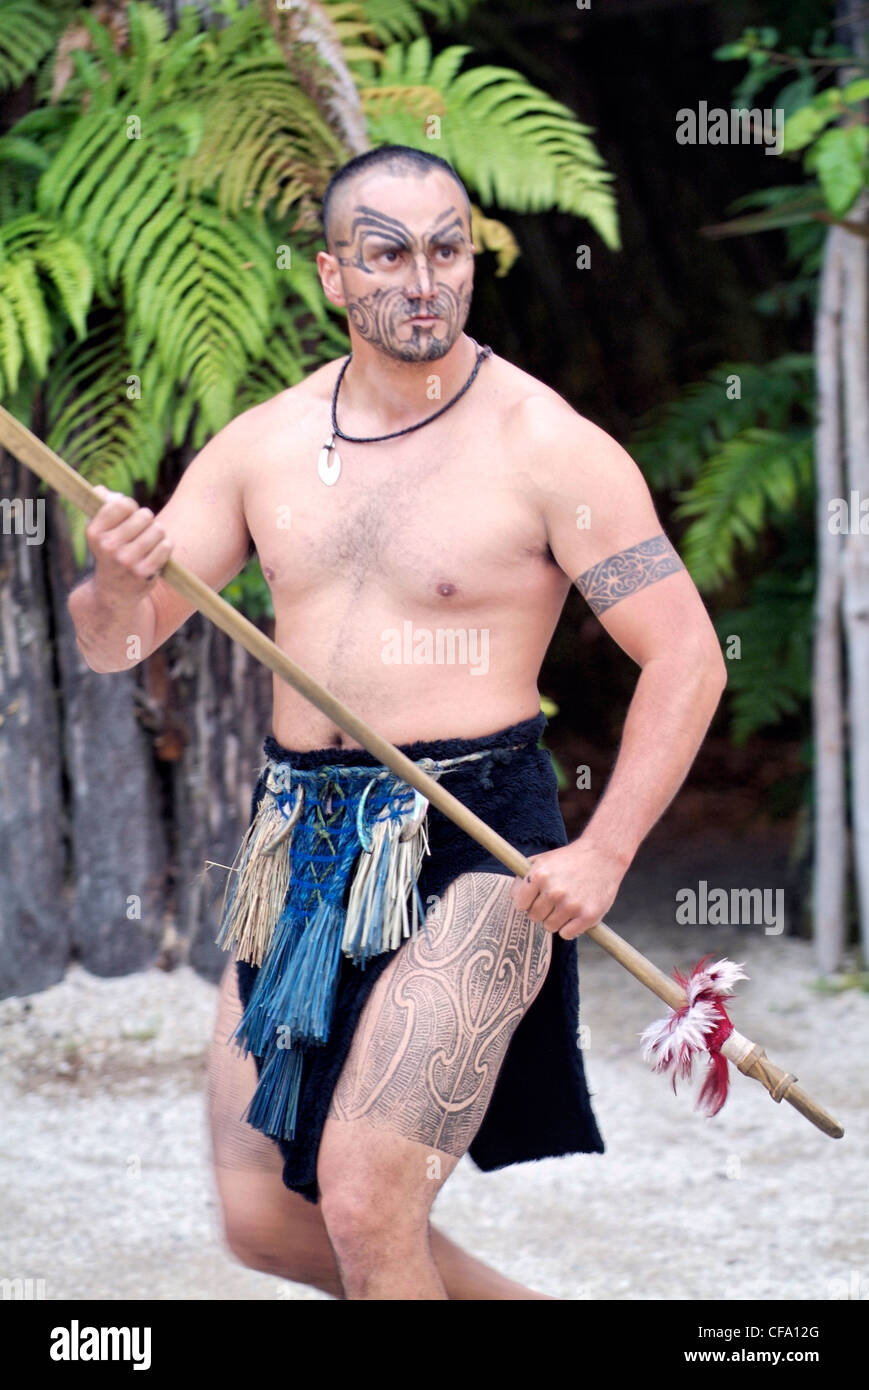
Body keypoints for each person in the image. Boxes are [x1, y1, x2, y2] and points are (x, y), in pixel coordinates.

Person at [67, 144, 727, 1300]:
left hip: (476, 841)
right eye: (386, 253)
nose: (422, 280)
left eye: (446, 248)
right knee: (269, 1222)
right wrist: (117, 581)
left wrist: (605, 848)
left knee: (368, 1200)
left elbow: (683, 654)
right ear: (332, 275)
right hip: (297, 842)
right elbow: (119, 640)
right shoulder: (263, 444)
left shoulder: (546, 446)